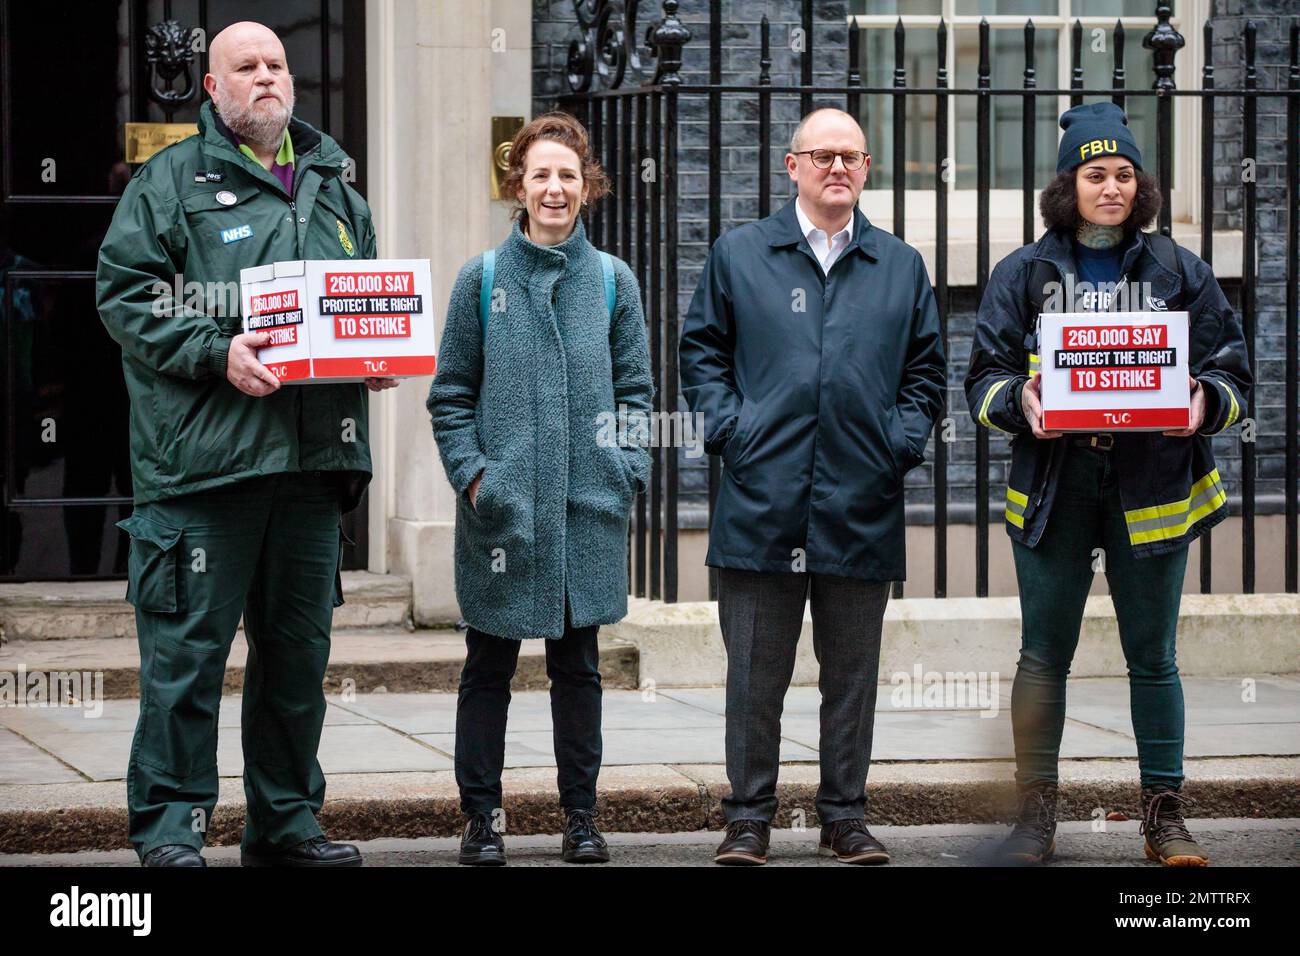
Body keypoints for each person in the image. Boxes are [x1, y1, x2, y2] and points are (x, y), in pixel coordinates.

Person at [97, 21, 397, 867]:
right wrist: (212, 350)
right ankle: (171, 832)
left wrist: (370, 354)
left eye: (276, 64)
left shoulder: (338, 189)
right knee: (186, 665)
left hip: (311, 469)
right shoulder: (167, 183)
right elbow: (126, 295)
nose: (266, 78)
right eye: (246, 68)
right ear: (213, 89)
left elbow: (351, 303)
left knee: (297, 667)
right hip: (203, 471)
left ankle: (286, 825)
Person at [965, 102, 1252, 866]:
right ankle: (1035, 820)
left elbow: (1231, 369)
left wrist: (1203, 402)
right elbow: (983, 378)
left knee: (1153, 655)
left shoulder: (1178, 271)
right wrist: (1021, 404)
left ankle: (1165, 817)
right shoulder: (1022, 273)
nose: (1113, 187)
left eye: (1126, 174)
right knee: (1042, 657)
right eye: (1096, 174)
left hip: (1154, 485)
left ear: (1141, 186)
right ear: (1070, 185)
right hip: (1057, 485)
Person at [679, 107, 946, 866]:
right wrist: (734, 433)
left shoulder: (900, 265)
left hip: (860, 502)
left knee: (851, 677)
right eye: (822, 155)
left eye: (852, 157)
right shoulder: (741, 254)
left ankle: (845, 817)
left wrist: (897, 445)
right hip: (762, 501)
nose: (837, 168)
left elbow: (927, 373)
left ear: (867, 170)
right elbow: (702, 354)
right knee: (754, 674)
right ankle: (748, 818)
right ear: (791, 165)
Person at [428, 112, 653, 867]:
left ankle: (581, 817)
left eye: (567, 175)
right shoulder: (480, 280)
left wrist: (624, 470)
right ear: (516, 186)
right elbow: (451, 394)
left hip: (585, 513)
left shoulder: (614, 282)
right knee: (486, 669)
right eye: (539, 175)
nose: (554, 188)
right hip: (503, 515)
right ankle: (482, 817)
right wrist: (475, 479)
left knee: (577, 669)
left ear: (585, 187)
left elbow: (637, 396)